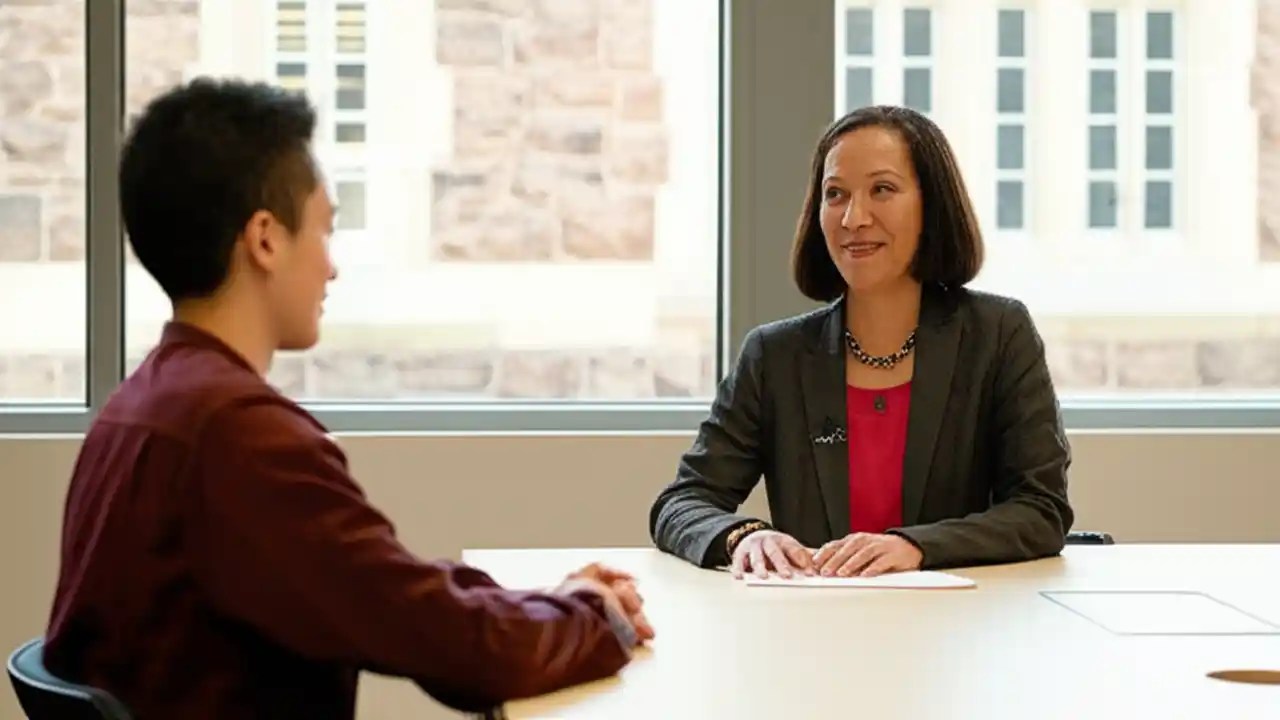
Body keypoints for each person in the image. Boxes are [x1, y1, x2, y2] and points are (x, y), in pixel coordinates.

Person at [43, 77, 653, 720]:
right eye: (325, 230)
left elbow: (393, 590)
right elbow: (457, 650)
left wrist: (550, 604)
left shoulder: (144, 405)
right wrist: (593, 616)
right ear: (266, 239)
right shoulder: (238, 435)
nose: (331, 266)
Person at [649, 105, 1073, 580]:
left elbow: (1041, 511)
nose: (853, 218)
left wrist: (915, 546)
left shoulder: (998, 334)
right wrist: (743, 535)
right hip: (815, 628)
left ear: (932, 206)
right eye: (836, 194)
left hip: (958, 629)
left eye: (882, 190)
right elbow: (682, 503)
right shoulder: (775, 356)